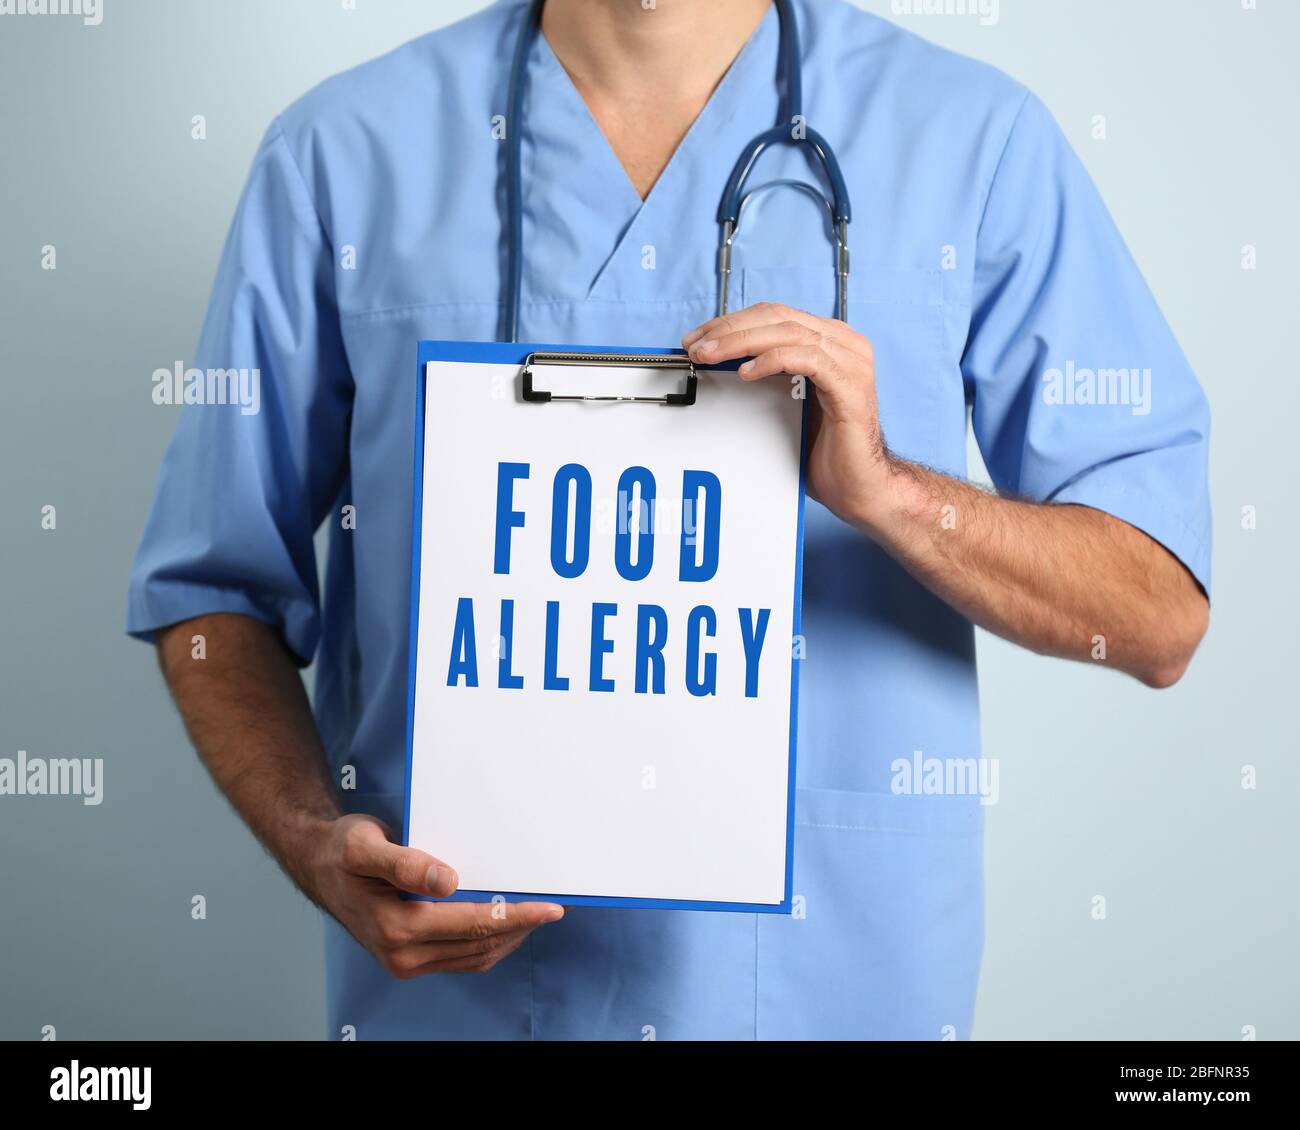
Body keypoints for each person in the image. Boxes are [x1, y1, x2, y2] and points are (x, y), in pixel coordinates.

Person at [127, 0, 1210, 1040]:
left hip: (837, 986)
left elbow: (1158, 611)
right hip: (456, 1004)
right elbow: (212, 592)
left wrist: (891, 491)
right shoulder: (341, 151)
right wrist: (316, 842)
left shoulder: (972, 143)